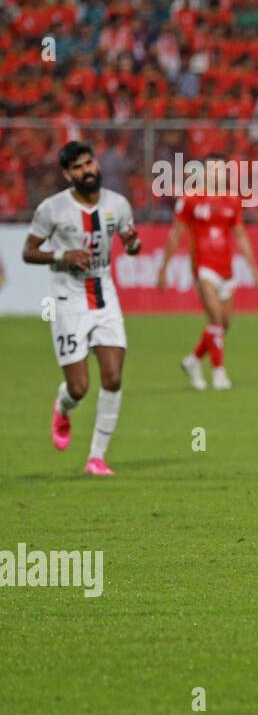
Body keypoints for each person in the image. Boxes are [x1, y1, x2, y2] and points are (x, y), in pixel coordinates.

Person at [23, 141, 142, 475]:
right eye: (77, 167)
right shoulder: (52, 209)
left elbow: (131, 243)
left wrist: (133, 244)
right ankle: (63, 407)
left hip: (105, 295)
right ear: (67, 174)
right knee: (79, 388)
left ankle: (96, 457)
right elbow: (28, 252)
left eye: (89, 163)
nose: (86, 171)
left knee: (114, 377)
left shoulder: (118, 204)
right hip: (68, 301)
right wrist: (63, 256)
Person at [156, 154, 258, 390]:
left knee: (223, 324)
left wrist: (254, 269)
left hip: (226, 268)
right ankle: (218, 372)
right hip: (203, 267)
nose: (217, 174)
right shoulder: (191, 199)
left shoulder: (232, 201)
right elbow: (175, 234)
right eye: (212, 169)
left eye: (221, 170)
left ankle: (193, 360)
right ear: (203, 173)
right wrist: (163, 268)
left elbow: (240, 235)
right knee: (215, 318)